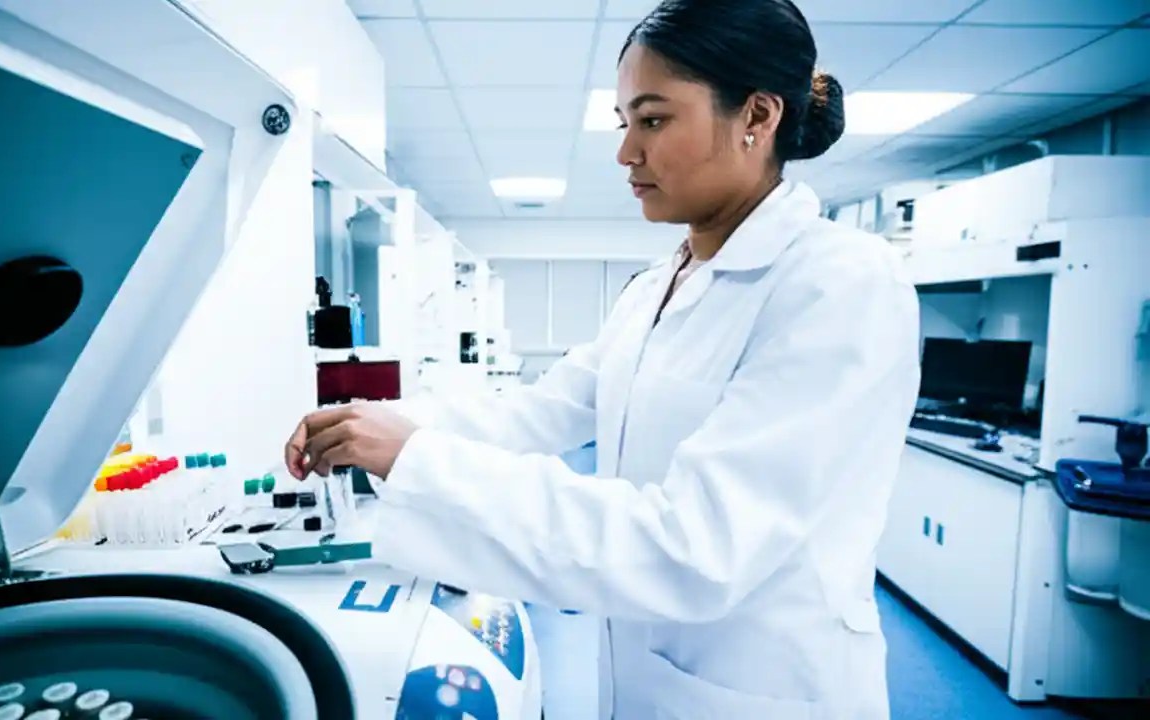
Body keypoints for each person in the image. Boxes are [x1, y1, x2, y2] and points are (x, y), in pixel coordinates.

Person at [285, 0, 920, 716]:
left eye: (653, 120)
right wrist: (381, 425)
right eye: (626, 124)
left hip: (764, 688)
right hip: (651, 679)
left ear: (757, 117)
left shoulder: (839, 283)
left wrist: (420, 460)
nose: (625, 153)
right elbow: (541, 409)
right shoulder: (660, 284)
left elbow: (696, 548)